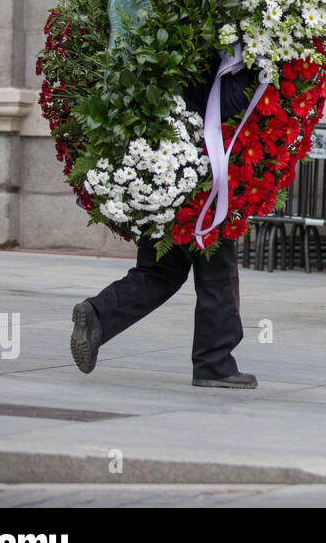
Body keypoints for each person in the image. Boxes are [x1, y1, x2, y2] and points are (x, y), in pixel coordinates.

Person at [69, 55, 259, 388]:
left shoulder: (163, 34)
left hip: (160, 169)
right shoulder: (216, 47)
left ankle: (98, 314)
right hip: (201, 177)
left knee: (159, 270)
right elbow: (224, 107)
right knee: (216, 270)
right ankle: (214, 363)